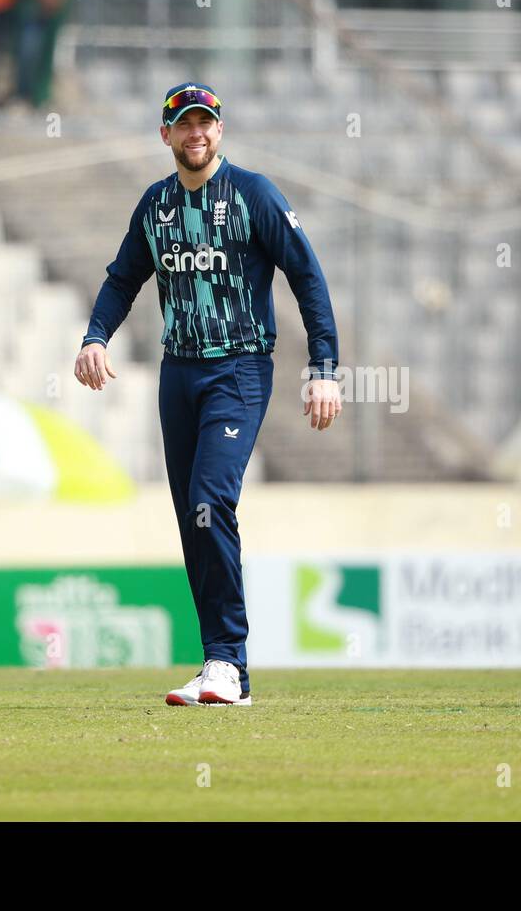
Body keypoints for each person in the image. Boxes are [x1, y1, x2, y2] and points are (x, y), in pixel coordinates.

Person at [75, 84, 342, 707]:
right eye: (184, 124)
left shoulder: (254, 194)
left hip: (240, 370)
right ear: (164, 134)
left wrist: (324, 367)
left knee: (209, 499)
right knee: (191, 519)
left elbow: (308, 277)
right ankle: (224, 669)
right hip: (179, 374)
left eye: (206, 123)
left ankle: (226, 658)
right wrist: (95, 337)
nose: (196, 133)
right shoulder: (157, 204)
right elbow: (123, 279)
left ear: (219, 131)